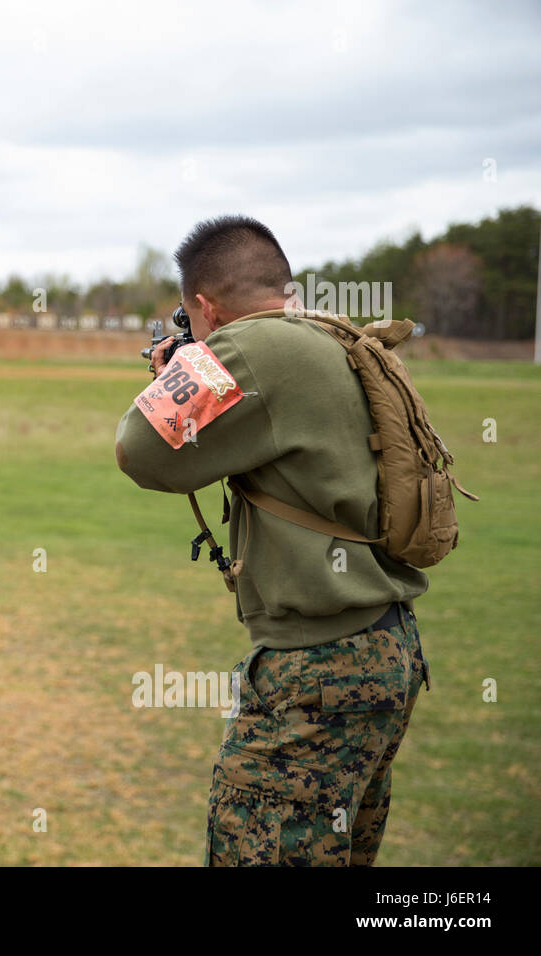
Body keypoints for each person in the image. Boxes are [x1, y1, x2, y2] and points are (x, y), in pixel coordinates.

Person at [114, 215, 431, 866]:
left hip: (319, 668)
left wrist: (175, 372)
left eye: (192, 321)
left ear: (203, 305)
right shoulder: (329, 335)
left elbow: (141, 451)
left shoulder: (253, 346)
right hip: (380, 645)